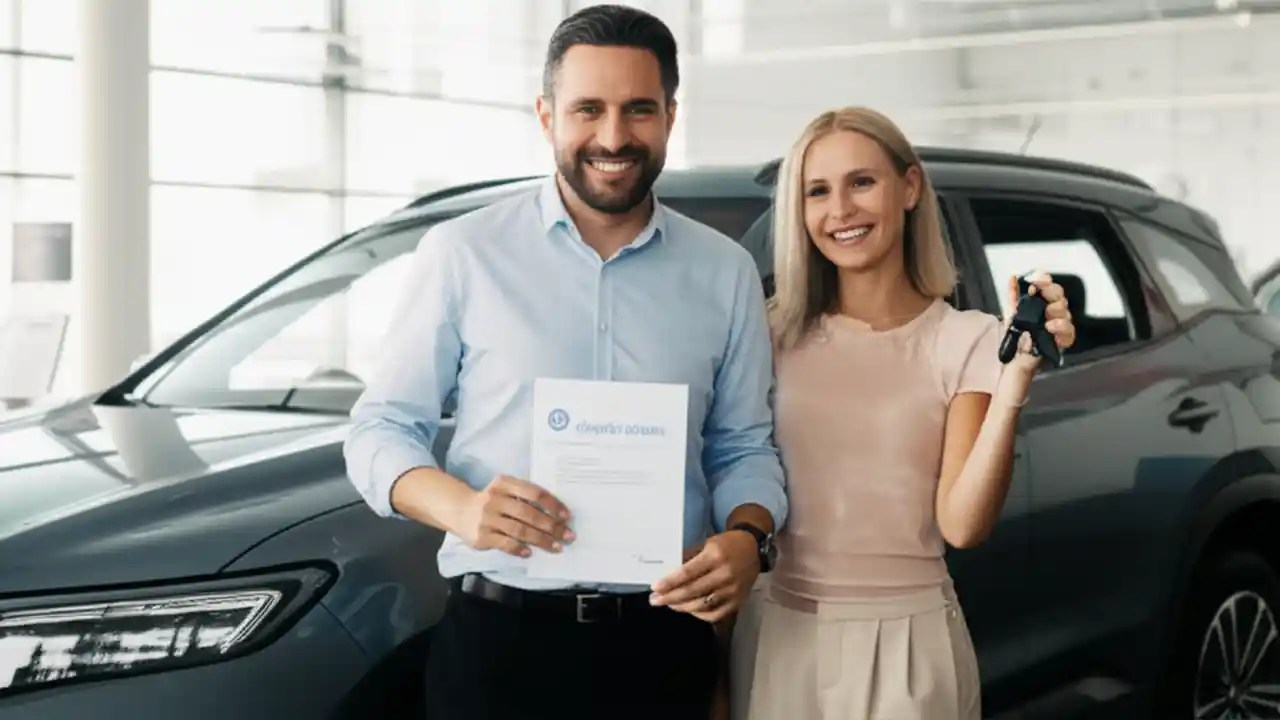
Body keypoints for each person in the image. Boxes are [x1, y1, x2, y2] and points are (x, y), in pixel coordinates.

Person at [342, 5, 787, 719]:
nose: (613, 136)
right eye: (589, 109)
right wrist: (462, 507)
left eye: (639, 109)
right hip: (500, 647)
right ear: (547, 115)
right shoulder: (464, 255)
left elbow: (742, 446)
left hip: (662, 646)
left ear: (671, 115)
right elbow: (378, 430)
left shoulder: (724, 273)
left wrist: (748, 539)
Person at [729, 106, 1077, 720]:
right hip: (777, 636)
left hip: (909, 649)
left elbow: (963, 525)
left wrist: (1015, 378)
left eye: (861, 182)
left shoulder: (966, 339)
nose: (840, 211)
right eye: (817, 191)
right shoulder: (766, 333)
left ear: (908, 187)